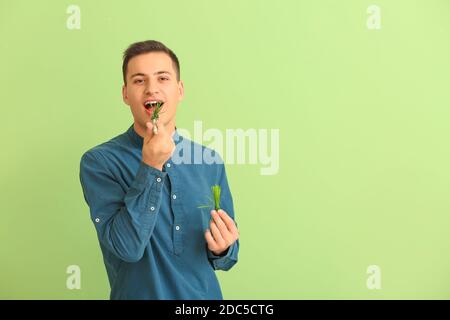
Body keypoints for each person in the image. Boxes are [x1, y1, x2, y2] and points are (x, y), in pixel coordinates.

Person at [79, 40, 239, 299]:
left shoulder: (209, 160)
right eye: (139, 81)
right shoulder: (99, 162)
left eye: (162, 78)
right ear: (125, 93)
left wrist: (224, 248)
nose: (151, 89)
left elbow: (228, 257)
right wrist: (151, 166)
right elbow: (126, 248)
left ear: (180, 90)